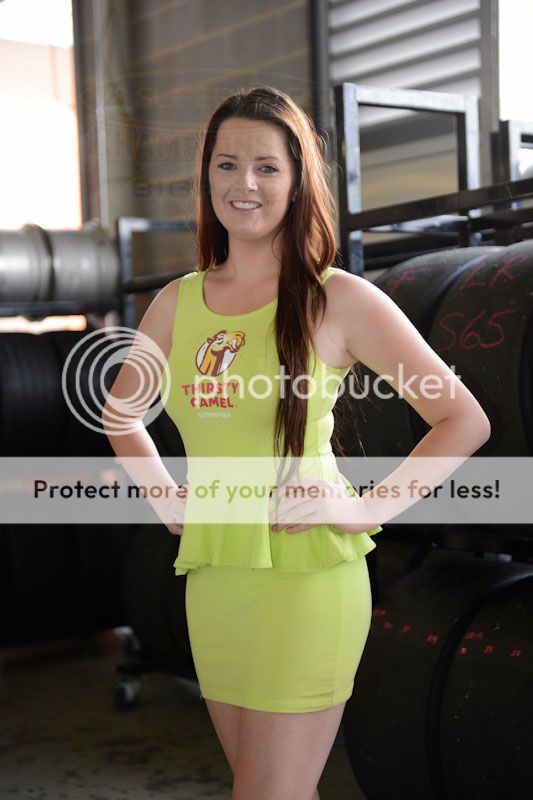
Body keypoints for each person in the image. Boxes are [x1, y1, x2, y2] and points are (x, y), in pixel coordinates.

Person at [103, 85, 491, 800]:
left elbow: (462, 418)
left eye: (266, 167)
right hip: (215, 573)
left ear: (297, 181)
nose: (243, 184)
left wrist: (365, 509)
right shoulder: (175, 302)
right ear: (206, 178)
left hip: (305, 576)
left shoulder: (338, 298)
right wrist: (165, 498)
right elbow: (120, 414)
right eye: (226, 165)